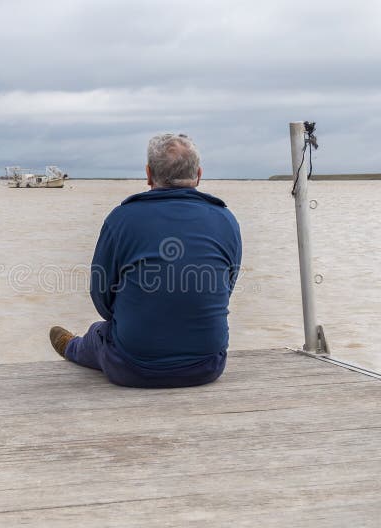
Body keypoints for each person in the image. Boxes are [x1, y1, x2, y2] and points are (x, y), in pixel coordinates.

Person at [49, 133, 242, 388]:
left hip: (132, 368)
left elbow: (101, 294)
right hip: (207, 366)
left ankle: (72, 347)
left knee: (100, 333)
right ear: (198, 174)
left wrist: (122, 317)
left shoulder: (121, 219)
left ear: (149, 174)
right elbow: (226, 288)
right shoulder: (226, 220)